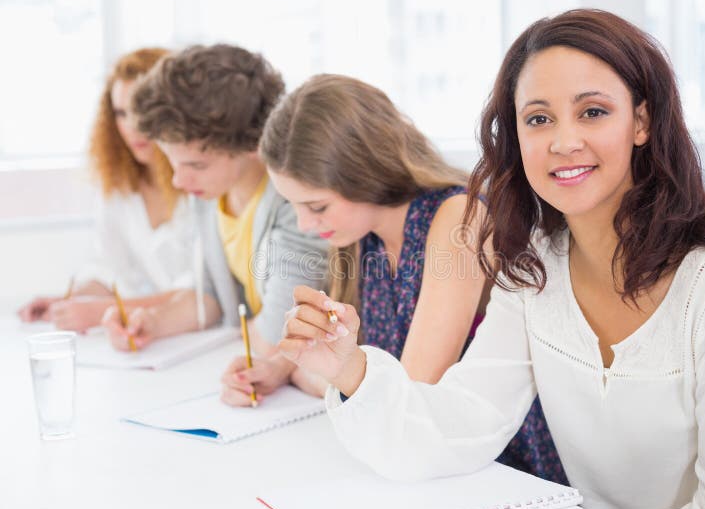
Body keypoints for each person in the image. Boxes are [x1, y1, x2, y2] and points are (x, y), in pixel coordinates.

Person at [275, 9, 705, 509]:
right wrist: (350, 368)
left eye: (593, 112)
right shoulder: (532, 273)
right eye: (538, 119)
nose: (564, 142)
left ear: (641, 121)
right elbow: (463, 420)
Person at [220, 74, 494, 408]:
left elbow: (408, 395)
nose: (305, 225)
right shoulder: (362, 236)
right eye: (294, 205)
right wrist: (281, 365)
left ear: (366, 174)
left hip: (495, 453)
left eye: (317, 206)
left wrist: (305, 373)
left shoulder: (456, 218)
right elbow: (363, 373)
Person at [102, 44, 327, 372]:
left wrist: (237, 331)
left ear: (254, 144)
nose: (179, 180)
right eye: (172, 162)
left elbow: (277, 334)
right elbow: (210, 298)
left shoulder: (297, 204)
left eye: (196, 164)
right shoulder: (211, 195)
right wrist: (153, 322)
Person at [17, 47, 194, 334]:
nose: (133, 127)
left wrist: (99, 311)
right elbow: (109, 267)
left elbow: (204, 294)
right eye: (122, 113)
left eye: (143, 112)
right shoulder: (118, 187)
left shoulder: (200, 182)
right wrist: (71, 301)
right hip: (160, 338)